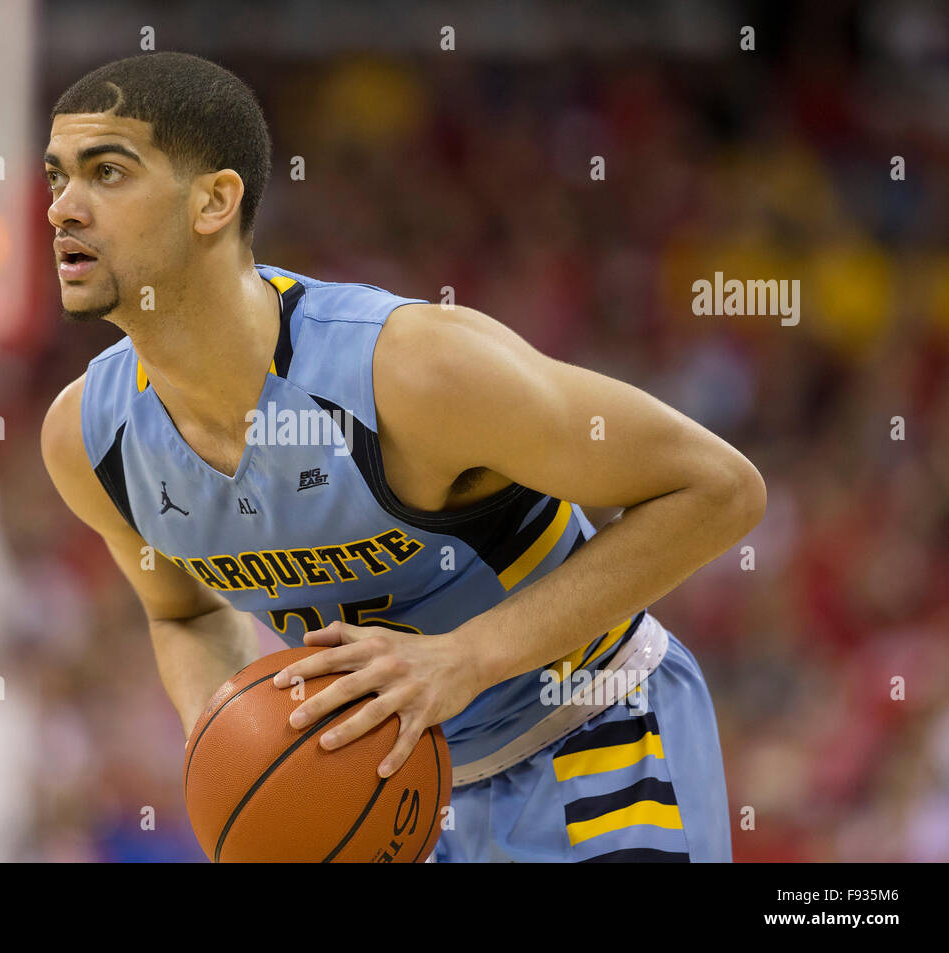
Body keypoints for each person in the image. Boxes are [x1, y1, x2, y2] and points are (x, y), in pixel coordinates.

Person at [40, 52, 765, 862]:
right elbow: (184, 610)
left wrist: (465, 656)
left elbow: (718, 487)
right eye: (56, 177)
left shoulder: (410, 371)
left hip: (590, 728)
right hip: (396, 795)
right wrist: (237, 747)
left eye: (106, 173)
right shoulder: (86, 440)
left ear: (214, 200)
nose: (63, 207)